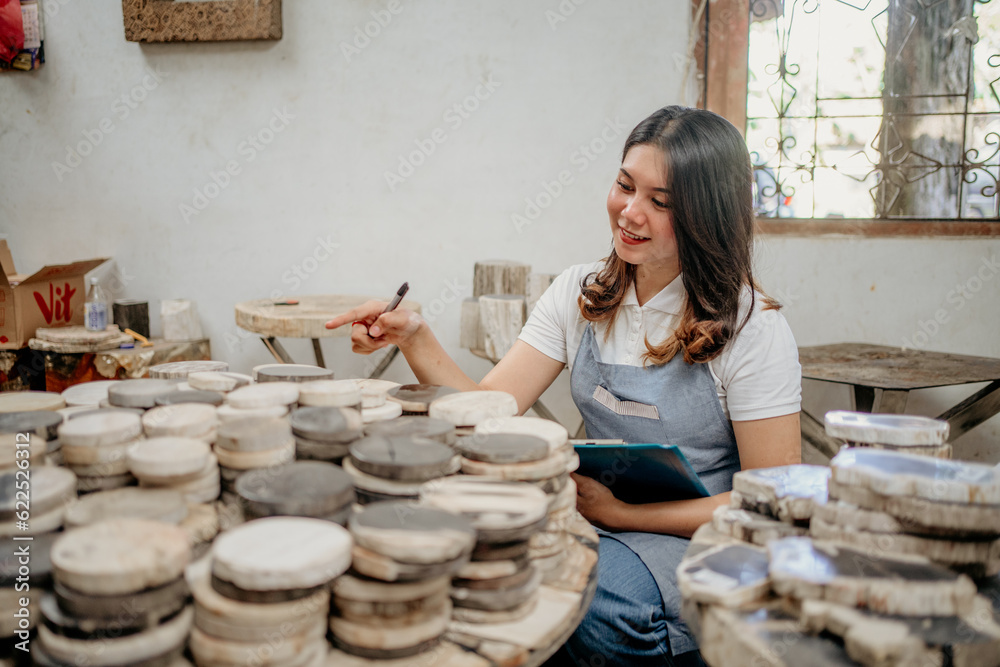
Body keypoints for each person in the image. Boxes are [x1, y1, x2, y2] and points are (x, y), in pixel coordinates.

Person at [326, 105, 802, 666]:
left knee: (594, 605)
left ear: (708, 216)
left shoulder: (754, 327)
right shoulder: (581, 293)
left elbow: (769, 503)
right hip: (593, 513)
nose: (629, 211)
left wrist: (623, 515)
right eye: (624, 185)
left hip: (699, 537)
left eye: (660, 202)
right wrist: (413, 336)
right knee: (476, 564)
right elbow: (487, 410)